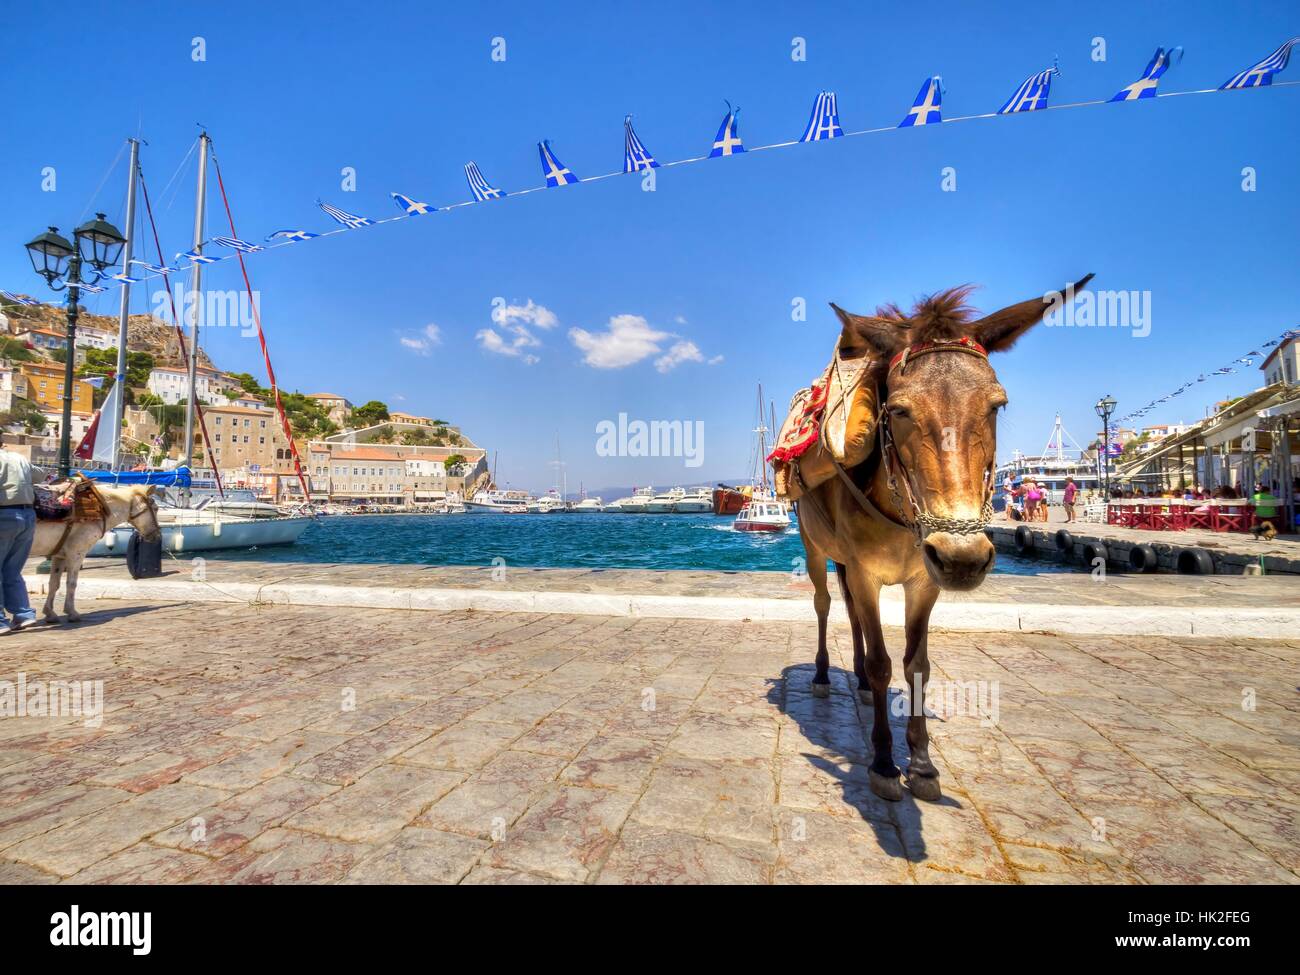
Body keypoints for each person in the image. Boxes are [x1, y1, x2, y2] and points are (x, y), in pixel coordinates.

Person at [0, 436, 42, 632]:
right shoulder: (19, 458)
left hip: (3, 515)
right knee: (12, 569)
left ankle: (0, 621)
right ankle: (23, 614)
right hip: (27, 516)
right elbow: (40, 476)